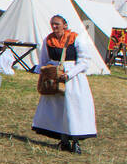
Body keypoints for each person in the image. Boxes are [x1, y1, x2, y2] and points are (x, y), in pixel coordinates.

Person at [32, 14, 97, 153]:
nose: (54, 27)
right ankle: (64, 140)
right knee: (58, 109)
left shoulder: (76, 38)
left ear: (65, 25)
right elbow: (44, 60)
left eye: (57, 24)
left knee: (74, 109)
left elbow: (85, 61)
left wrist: (70, 73)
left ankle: (76, 141)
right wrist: (44, 72)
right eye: (52, 24)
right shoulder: (48, 40)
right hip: (55, 77)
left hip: (74, 79)